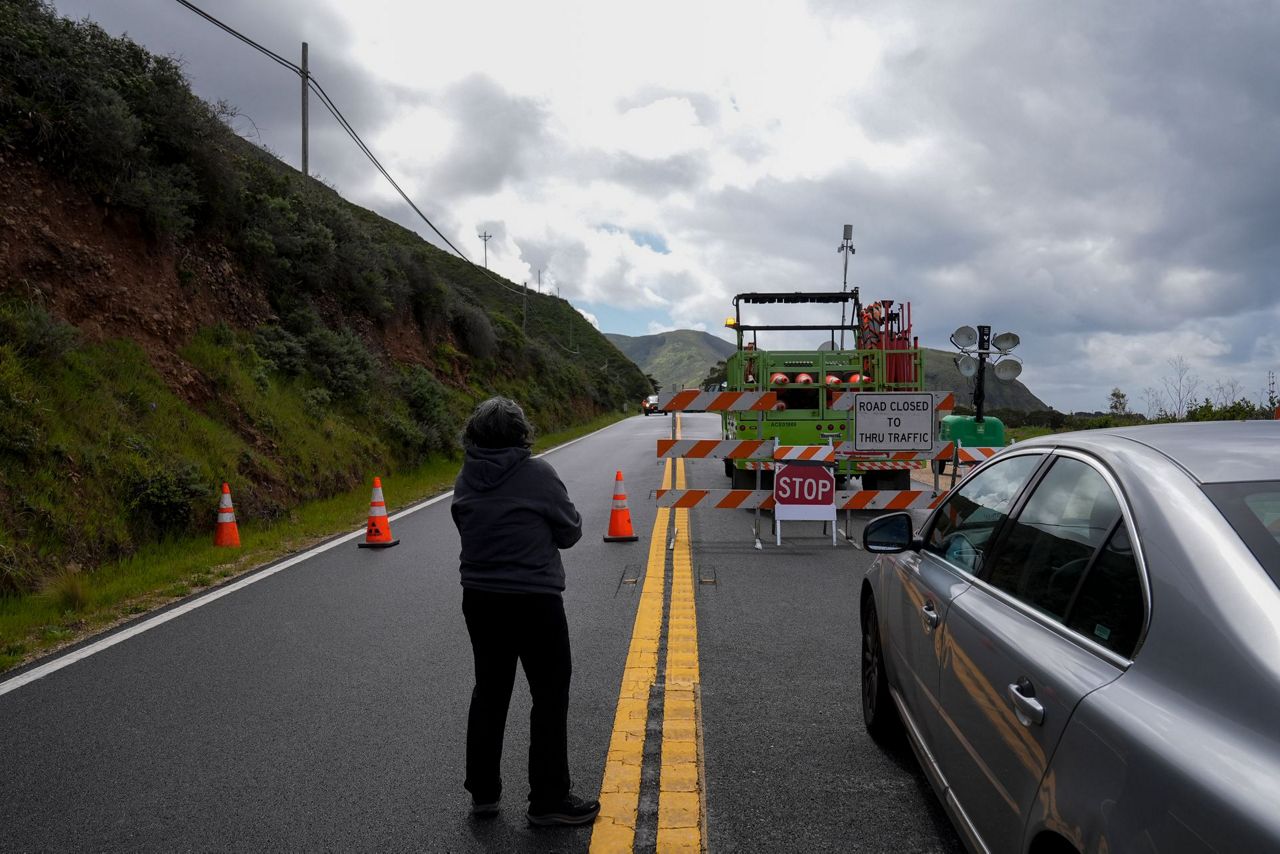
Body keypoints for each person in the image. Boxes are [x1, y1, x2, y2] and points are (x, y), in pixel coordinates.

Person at [449, 396, 600, 827]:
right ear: (522, 434)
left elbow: (464, 521)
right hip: (535, 600)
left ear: (473, 435)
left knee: (490, 691)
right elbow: (569, 531)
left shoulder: (466, 477)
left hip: (479, 597)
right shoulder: (538, 474)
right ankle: (548, 799)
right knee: (549, 696)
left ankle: (483, 793)